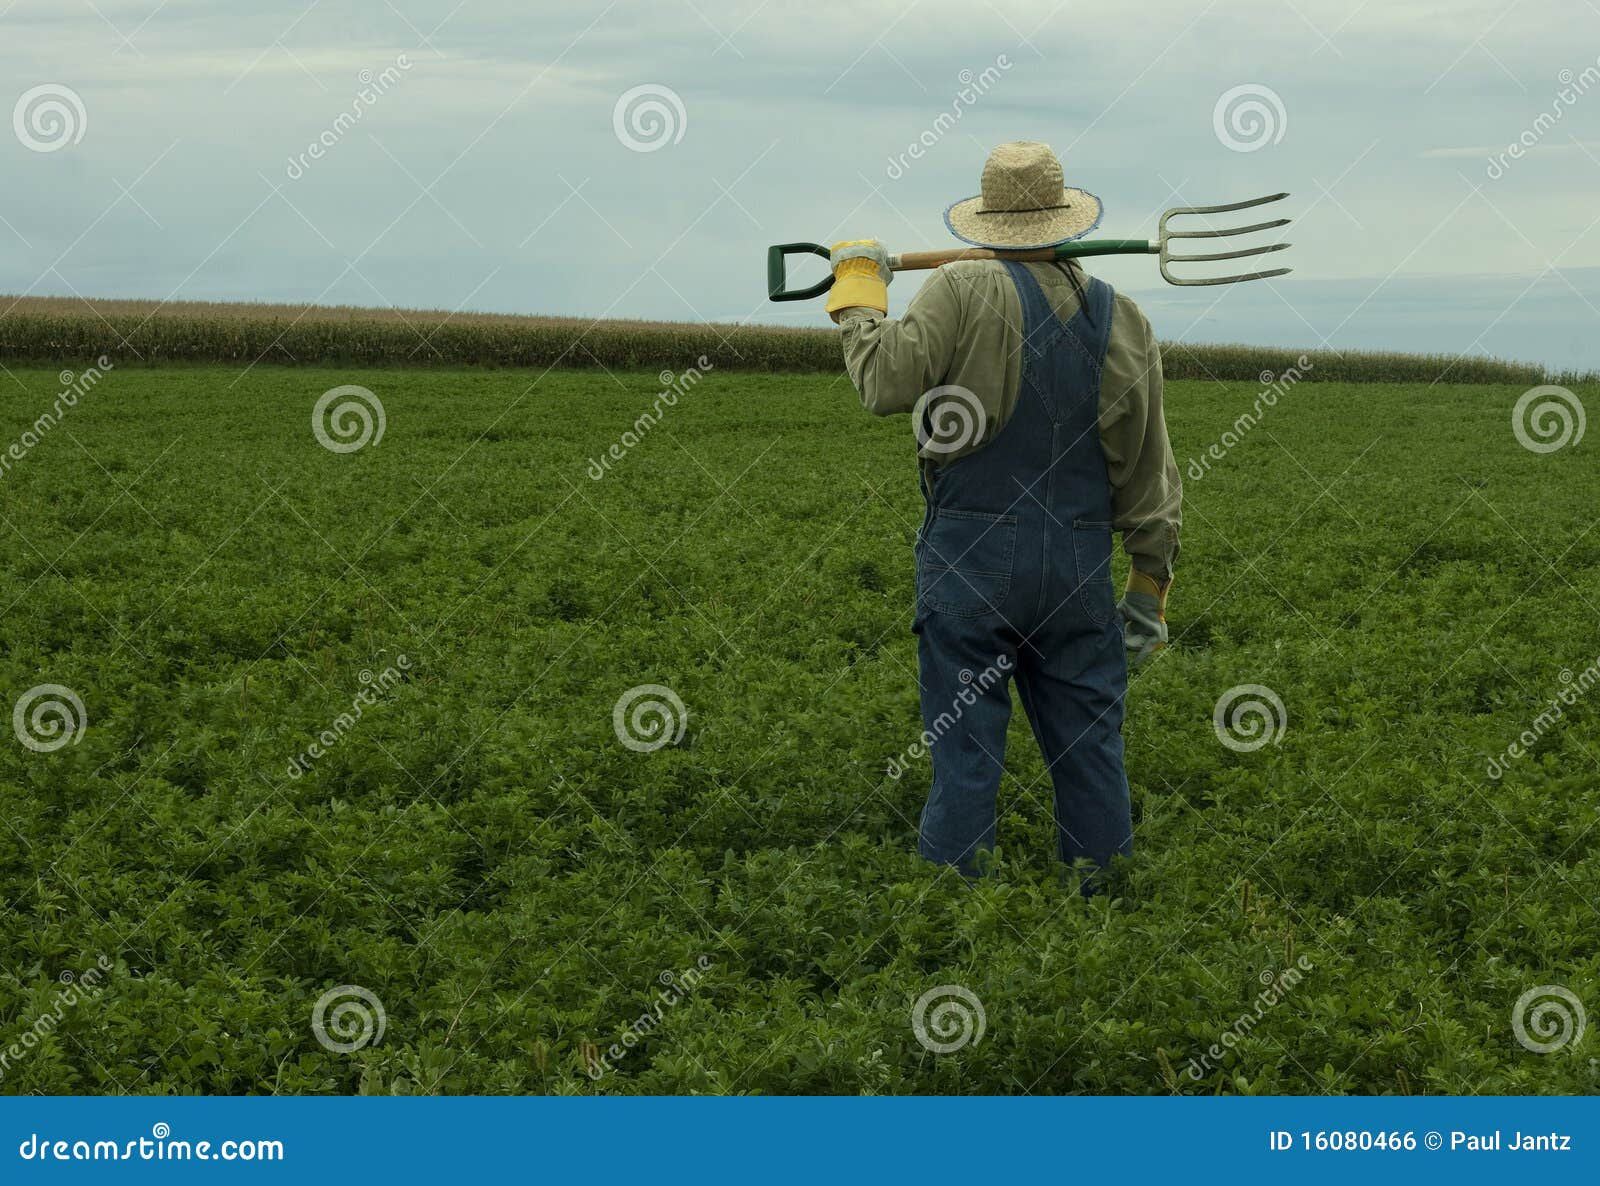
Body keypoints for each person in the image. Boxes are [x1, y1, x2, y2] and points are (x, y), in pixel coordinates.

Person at [829, 141, 1180, 883]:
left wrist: (859, 292)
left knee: (966, 755)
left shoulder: (957, 289)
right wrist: (1149, 590)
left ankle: (956, 925)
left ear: (986, 220)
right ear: (1068, 221)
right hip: (1079, 568)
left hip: (969, 559)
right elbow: (1149, 470)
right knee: (1091, 751)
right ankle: (1106, 914)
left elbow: (884, 383)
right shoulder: (1125, 318)